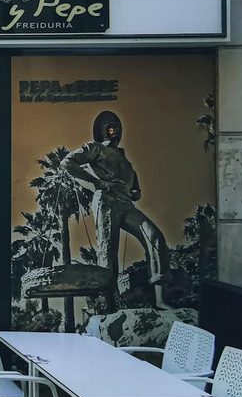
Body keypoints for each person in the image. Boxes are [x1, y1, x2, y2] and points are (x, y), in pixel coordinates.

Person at [62, 110, 170, 309]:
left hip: (126, 205)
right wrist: (96, 182)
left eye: (118, 123)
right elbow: (67, 162)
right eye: (110, 123)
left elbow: (135, 187)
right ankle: (110, 303)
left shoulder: (126, 161)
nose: (115, 126)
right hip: (106, 202)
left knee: (155, 236)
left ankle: (160, 299)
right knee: (108, 250)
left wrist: (135, 191)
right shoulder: (95, 148)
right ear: (101, 129)